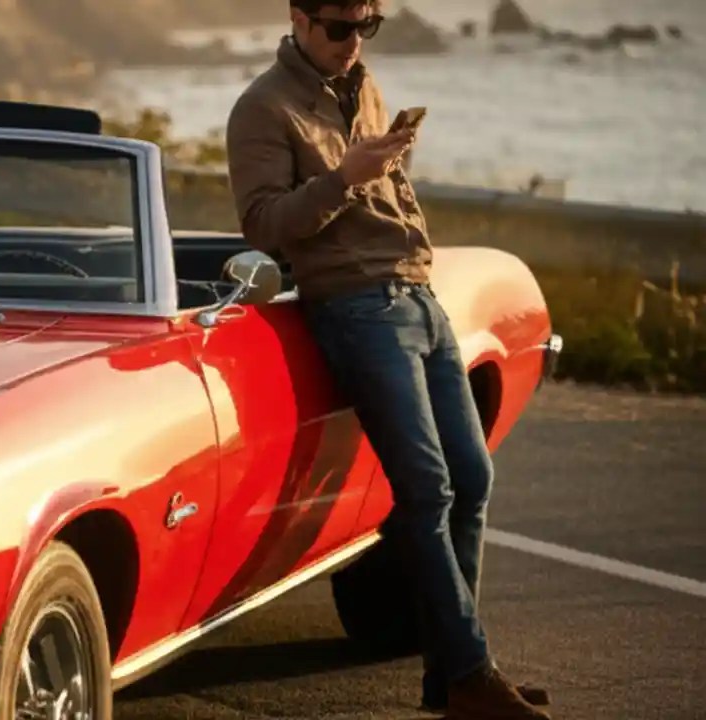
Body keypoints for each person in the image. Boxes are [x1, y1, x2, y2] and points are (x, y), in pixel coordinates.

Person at [225, 2, 553, 718]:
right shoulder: (261, 107)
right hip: (355, 307)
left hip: (416, 295)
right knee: (428, 488)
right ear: (299, 17)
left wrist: (388, 185)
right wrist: (343, 177)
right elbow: (263, 224)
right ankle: (471, 675)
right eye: (340, 28)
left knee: (472, 476)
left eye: (366, 26)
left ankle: (450, 679)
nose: (353, 43)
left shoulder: (364, 86)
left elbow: (391, 194)